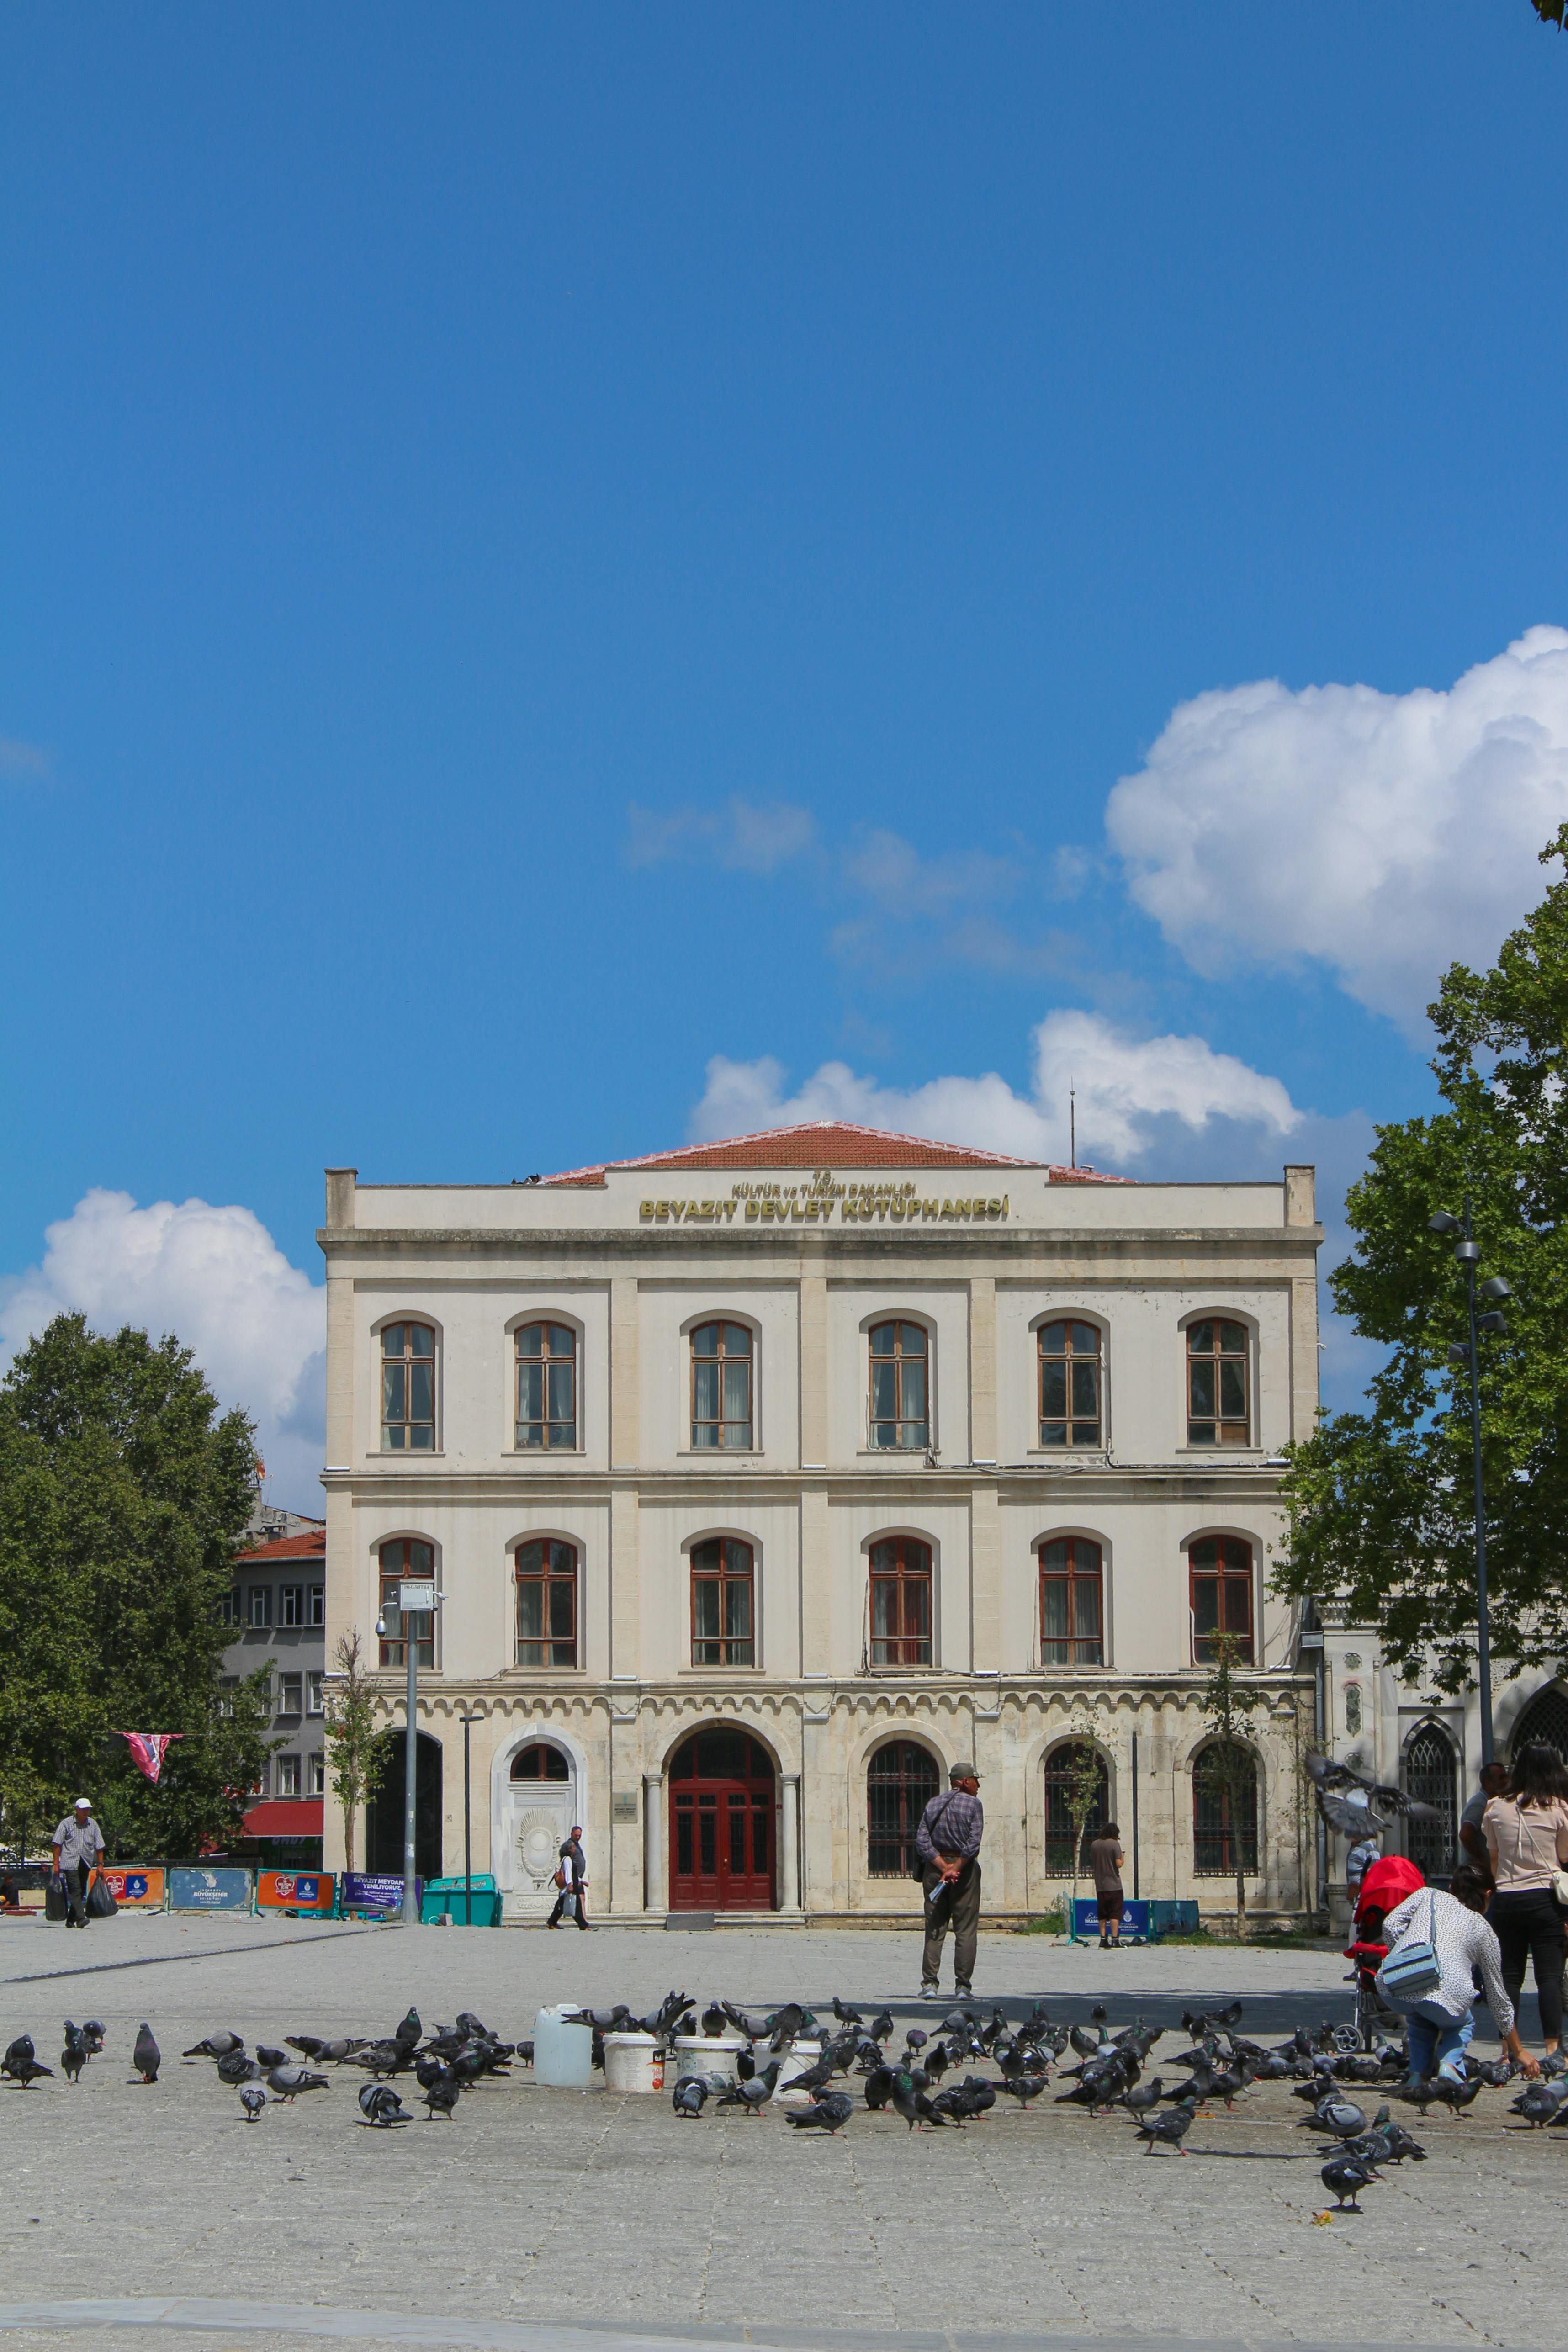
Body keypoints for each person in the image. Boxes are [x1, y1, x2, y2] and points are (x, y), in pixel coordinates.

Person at [1381, 1865, 1540, 2083]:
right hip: (1448, 1995)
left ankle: (1417, 2076)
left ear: (1451, 1887)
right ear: (1488, 1895)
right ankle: (1449, 2065)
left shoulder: (1427, 1894)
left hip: (1394, 1986)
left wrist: (1408, 1960)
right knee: (1462, 2023)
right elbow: (1497, 1997)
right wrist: (1518, 2051)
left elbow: (1389, 1925)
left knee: (1419, 2016)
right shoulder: (1484, 1930)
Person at [1483, 1742, 1568, 2057]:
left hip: (1508, 1898)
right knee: (1549, 1977)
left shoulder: (1495, 1807)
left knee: (1509, 1977)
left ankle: (1508, 2050)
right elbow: (1564, 1856)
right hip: (1546, 1899)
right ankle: (1552, 2049)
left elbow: (1493, 1857)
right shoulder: (1558, 1809)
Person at [916, 1762, 983, 1998]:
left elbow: (922, 1840)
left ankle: (929, 1984)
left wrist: (943, 1866)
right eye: (976, 1780)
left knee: (935, 1927)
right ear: (965, 1781)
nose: (978, 1786)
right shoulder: (974, 1805)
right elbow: (974, 1842)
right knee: (966, 1929)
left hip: (935, 1871)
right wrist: (955, 1868)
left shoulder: (934, 1803)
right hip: (964, 1872)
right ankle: (963, 1986)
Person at [51, 1797, 105, 1930]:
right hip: (70, 1862)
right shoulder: (67, 1823)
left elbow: (100, 1846)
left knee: (81, 1892)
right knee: (75, 1890)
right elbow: (57, 1844)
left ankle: (70, 1920)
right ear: (77, 1810)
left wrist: (100, 1865)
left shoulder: (93, 1825)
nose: (86, 1812)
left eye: (88, 1809)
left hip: (85, 1862)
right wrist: (56, 1863)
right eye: (83, 1809)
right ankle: (81, 1918)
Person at [1458, 1759, 1510, 1882]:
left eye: (1506, 1777)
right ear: (1488, 1782)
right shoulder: (1480, 1805)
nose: (1506, 1781)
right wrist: (1483, 1861)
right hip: (1476, 1875)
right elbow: (1465, 1835)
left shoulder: (1492, 1803)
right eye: (1501, 1778)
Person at [547, 1825, 591, 1930]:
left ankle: (551, 1922)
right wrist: (570, 1884)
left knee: (561, 1906)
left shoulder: (568, 1858)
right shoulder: (567, 1859)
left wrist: (582, 1881)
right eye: (572, 1848)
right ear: (569, 1849)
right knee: (576, 1906)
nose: (574, 1848)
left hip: (572, 1884)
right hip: (570, 1886)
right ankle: (584, 1926)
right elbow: (568, 1873)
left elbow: (573, 1874)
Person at [1090, 1821, 1126, 1949]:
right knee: (1115, 1912)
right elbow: (1119, 1864)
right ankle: (1115, 1939)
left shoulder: (1095, 1844)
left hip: (1100, 1885)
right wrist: (1123, 1856)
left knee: (1103, 1913)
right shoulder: (1114, 1844)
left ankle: (1103, 1939)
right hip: (1114, 1885)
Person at [1345, 1832, 1381, 1910]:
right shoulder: (1355, 1846)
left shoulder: (1368, 1847)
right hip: (1355, 1893)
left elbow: (1375, 1871)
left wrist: (1365, 1892)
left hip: (1363, 1894)